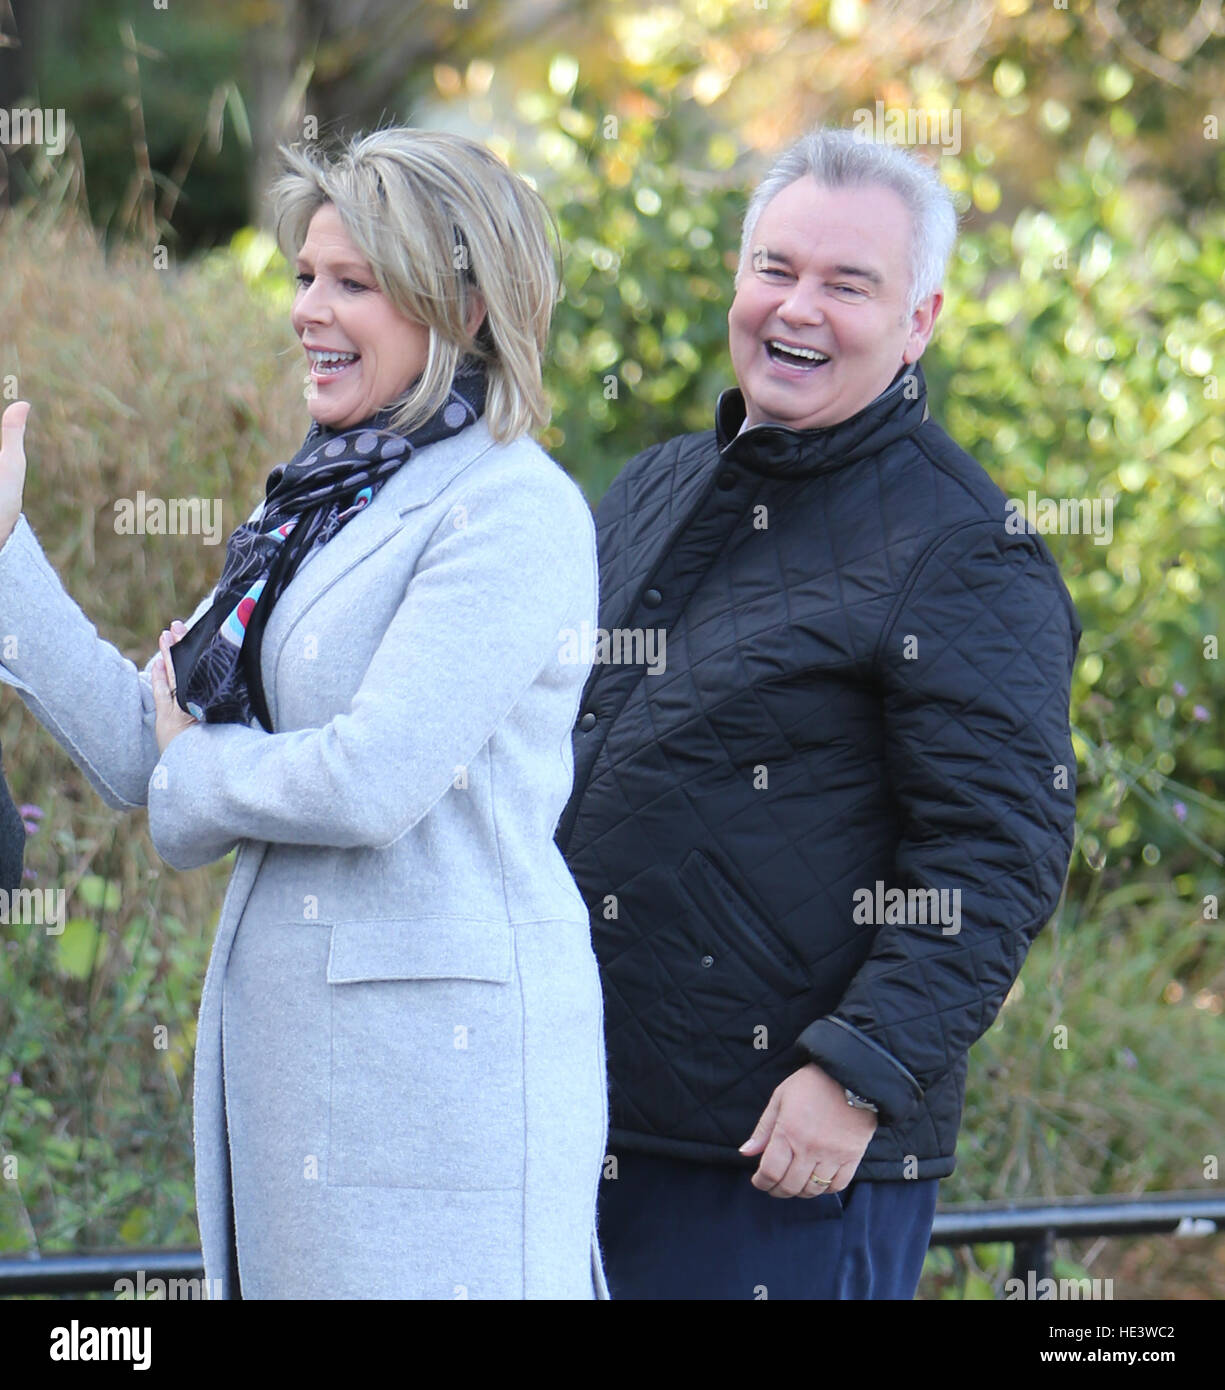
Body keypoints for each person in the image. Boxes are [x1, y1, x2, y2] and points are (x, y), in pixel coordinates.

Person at [0, 127, 608, 1299]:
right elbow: (148, 745)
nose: (307, 310)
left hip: (433, 1107)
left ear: (465, 308)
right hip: (309, 1094)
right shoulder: (323, 496)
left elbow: (370, 778)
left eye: (355, 283)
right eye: (305, 276)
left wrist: (196, 766)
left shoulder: (511, 510)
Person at [556, 127, 1080, 1300]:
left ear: (919, 321)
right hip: (574, 1118)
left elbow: (999, 851)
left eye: (848, 285)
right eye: (775, 269)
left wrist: (860, 1068)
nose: (798, 308)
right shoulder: (653, 487)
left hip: (778, 1162)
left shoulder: (963, 552)